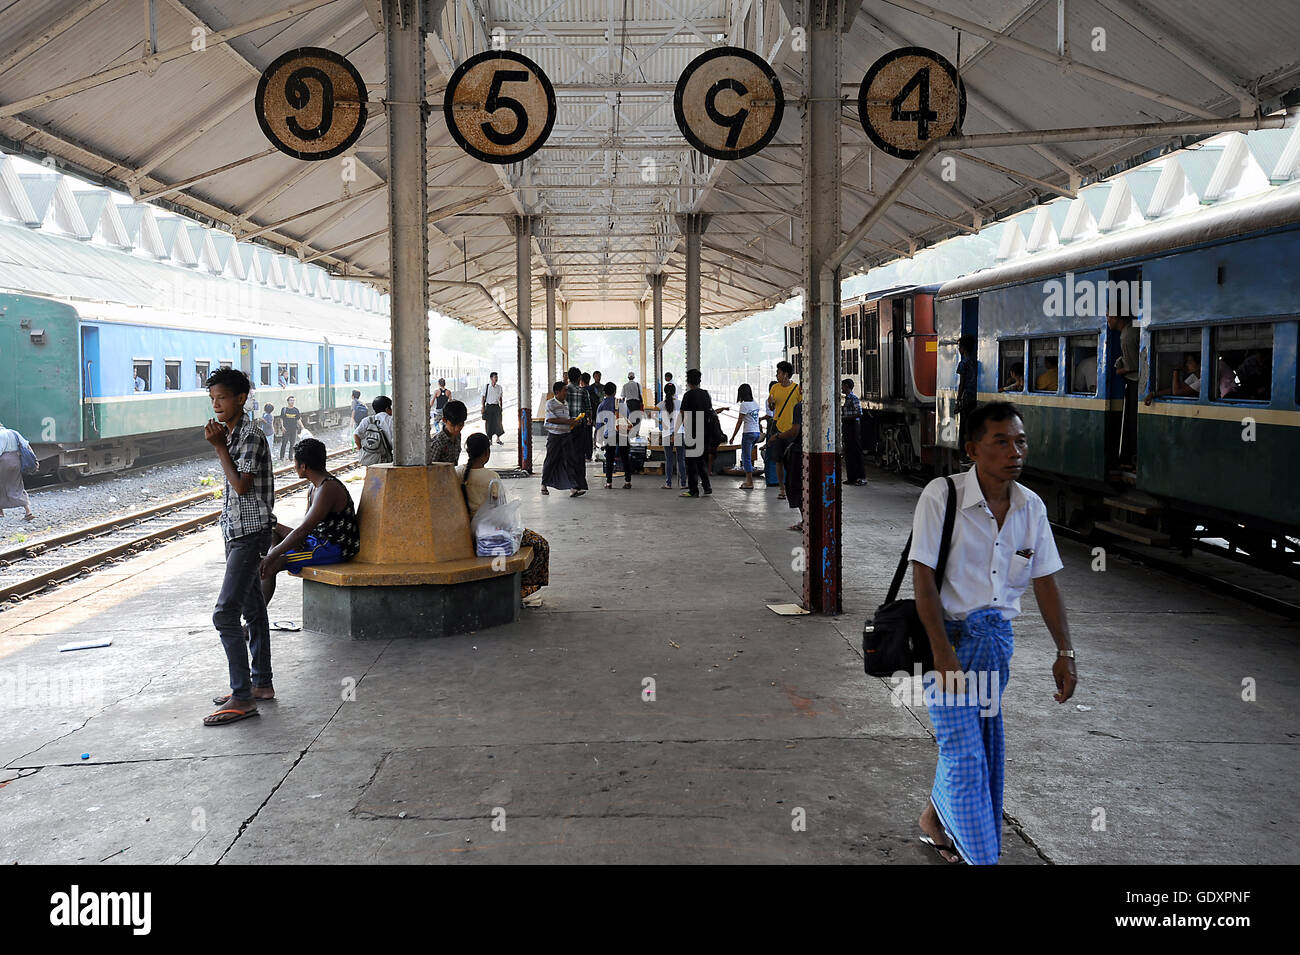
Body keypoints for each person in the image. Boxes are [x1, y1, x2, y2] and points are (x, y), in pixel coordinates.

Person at [910, 401, 1076, 865]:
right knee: (965, 753)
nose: (1014, 451)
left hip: (996, 646)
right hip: (947, 640)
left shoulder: (1031, 508)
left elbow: (1045, 581)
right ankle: (980, 855)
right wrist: (943, 655)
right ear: (973, 450)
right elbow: (922, 580)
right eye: (1001, 441)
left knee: (980, 742)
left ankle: (933, 820)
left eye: (1020, 441)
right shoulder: (941, 497)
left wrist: (1065, 651)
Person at [201, 367, 275, 727]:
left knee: (224, 614)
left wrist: (218, 448)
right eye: (212, 398)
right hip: (236, 531)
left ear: (241, 399)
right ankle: (260, 683)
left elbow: (242, 485)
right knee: (253, 608)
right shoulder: (232, 435)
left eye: (222, 398)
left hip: (249, 533)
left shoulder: (249, 435)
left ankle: (242, 696)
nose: (216, 404)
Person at [258, 437, 359, 608]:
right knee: (273, 527)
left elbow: (304, 529)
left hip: (332, 548)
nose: (294, 466)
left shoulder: (327, 489)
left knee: (272, 564)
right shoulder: (315, 486)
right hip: (317, 540)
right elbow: (305, 529)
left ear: (303, 466)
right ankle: (269, 560)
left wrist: (272, 556)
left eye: (295, 463)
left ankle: (254, 622)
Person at [461, 432, 549, 600]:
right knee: (541, 544)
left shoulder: (459, 472)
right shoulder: (492, 477)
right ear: (487, 453)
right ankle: (523, 588)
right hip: (489, 533)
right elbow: (500, 508)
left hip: (468, 530)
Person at [541, 380, 583, 497]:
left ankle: (573, 488)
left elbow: (566, 419)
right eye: (565, 390)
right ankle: (544, 484)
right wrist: (568, 421)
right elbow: (550, 419)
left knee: (569, 461)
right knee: (551, 460)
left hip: (566, 435)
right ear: (557, 392)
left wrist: (574, 422)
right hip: (555, 436)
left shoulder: (565, 403)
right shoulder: (550, 403)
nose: (566, 392)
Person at [1109, 309, 1139, 470]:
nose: (1107, 319)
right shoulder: (1133, 329)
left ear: (1115, 317)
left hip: (1135, 383)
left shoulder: (1126, 336)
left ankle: (1130, 458)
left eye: (1108, 315)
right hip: (1136, 383)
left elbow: (1133, 366)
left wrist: (1119, 370)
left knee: (1131, 422)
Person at [768, 361, 801, 500]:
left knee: (792, 461)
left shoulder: (796, 389)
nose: (777, 375)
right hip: (777, 427)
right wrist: (770, 403)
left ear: (786, 374)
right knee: (778, 460)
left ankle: (790, 486)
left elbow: (801, 407)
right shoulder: (775, 388)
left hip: (792, 429)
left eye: (779, 373)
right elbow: (771, 407)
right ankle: (782, 488)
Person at [679, 368, 713, 498]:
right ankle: (707, 487)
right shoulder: (705, 394)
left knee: (691, 462)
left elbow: (683, 413)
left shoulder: (688, 395)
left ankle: (693, 490)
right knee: (701, 460)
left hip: (692, 431)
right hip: (704, 431)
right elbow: (710, 411)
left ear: (688, 381)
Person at [596, 381, 631, 489]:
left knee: (609, 458)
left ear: (604, 392)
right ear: (615, 392)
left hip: (609, 434)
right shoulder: (621, 404)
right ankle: (627, 482)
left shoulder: (601, 405)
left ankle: (609, 482)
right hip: (622, 433)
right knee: (625, 457)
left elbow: (599, 424)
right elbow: (628, 416)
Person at [0, 421, 36, 522]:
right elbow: (26, 445)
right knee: (18, 485)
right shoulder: (13, 432)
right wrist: (35, 460)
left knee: (1, 485)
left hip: (3, 462)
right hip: (16, 461)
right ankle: (28, 511)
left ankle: (0, 512)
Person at [729, 383, 762, 490]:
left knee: (745, 458)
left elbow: (739, 422)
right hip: (756, 433)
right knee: (748, 457)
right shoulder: (755, 403)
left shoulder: (744, 405)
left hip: (748, 433)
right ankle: (749, 479)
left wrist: (733, 436)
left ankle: (750, 482)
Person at [564, 367, 591, 493]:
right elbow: (588, 410)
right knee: (579, 456)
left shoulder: (564, 391)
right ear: (579, 378)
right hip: (579, 427)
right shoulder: (583, 391)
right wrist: (589, 420)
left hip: (566, 428)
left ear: (568, 377)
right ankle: (579, 484)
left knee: (568, 456)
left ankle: (571, 485)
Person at [660, 382, 686, 490]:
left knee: (669, 460)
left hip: (667, 434)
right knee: (681, 460)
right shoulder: (680, 403)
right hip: (679, 433)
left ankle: (668, 483)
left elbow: (662, 422)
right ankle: (683, 483)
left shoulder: (662, 404)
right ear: (675, 391)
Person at [354, 395, 394, 464]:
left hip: (371, 458)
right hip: (387, 458)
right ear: (387, 408)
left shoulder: (367, 420)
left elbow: (356, 435)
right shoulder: (392, 420)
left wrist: (360, 449)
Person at [781, 401, 803, 531]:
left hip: (799, 451)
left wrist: (778, 436)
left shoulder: (799, 406)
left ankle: (805, 520)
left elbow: (795, 430)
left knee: (795, 486)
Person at [841, 378, 867, 487]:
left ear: (847, 386)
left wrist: (845, 418)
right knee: (848, 452)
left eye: (843, 386)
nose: (841, 388)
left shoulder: (854, 398)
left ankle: (861, 477)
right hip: (847, 426)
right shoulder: (847, 399)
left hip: (853, 426)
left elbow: (859, 413)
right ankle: (851, 477)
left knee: (856, 451)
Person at [430, 399, 467, 464]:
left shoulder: (458, 436)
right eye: (453, 425)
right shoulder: (438, 444)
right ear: (444, 420)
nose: (457, 429)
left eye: (460, 425)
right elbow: (430, 470)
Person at [956, 335, 978, 442]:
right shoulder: (976, 362)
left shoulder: (963, 364)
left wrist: (958, 400)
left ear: (963, 349)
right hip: (975, 397)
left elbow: (962, 384)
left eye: (959, 347)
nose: (959, 349)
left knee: (964, 426)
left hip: (967, 398)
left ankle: (963, 453)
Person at [481, 372, 505, 445]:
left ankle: (498, 439)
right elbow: (483, 397)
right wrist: (483, 407)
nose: (496, 379)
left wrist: (501, 407)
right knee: (489, 423)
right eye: (495, 377)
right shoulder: (487, 387)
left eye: (497, 377)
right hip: (489, 407)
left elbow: (500, 398)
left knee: (498, 422)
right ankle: (490, 439)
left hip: (496, 407)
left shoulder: (499, 387)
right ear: (491, 378)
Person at [278, 396, 301, 461]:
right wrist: (282, 427)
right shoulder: (284, 409)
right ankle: (281, 457)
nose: (292, 402)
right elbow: (281, 418)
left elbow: (298, 419)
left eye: (293, 400)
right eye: (291, 400)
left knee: (292, 444)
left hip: (294, 429)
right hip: (286, 429)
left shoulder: (296, 410)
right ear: (288, 401)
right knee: (284, 443)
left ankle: (290, 457)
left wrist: (302, 427)